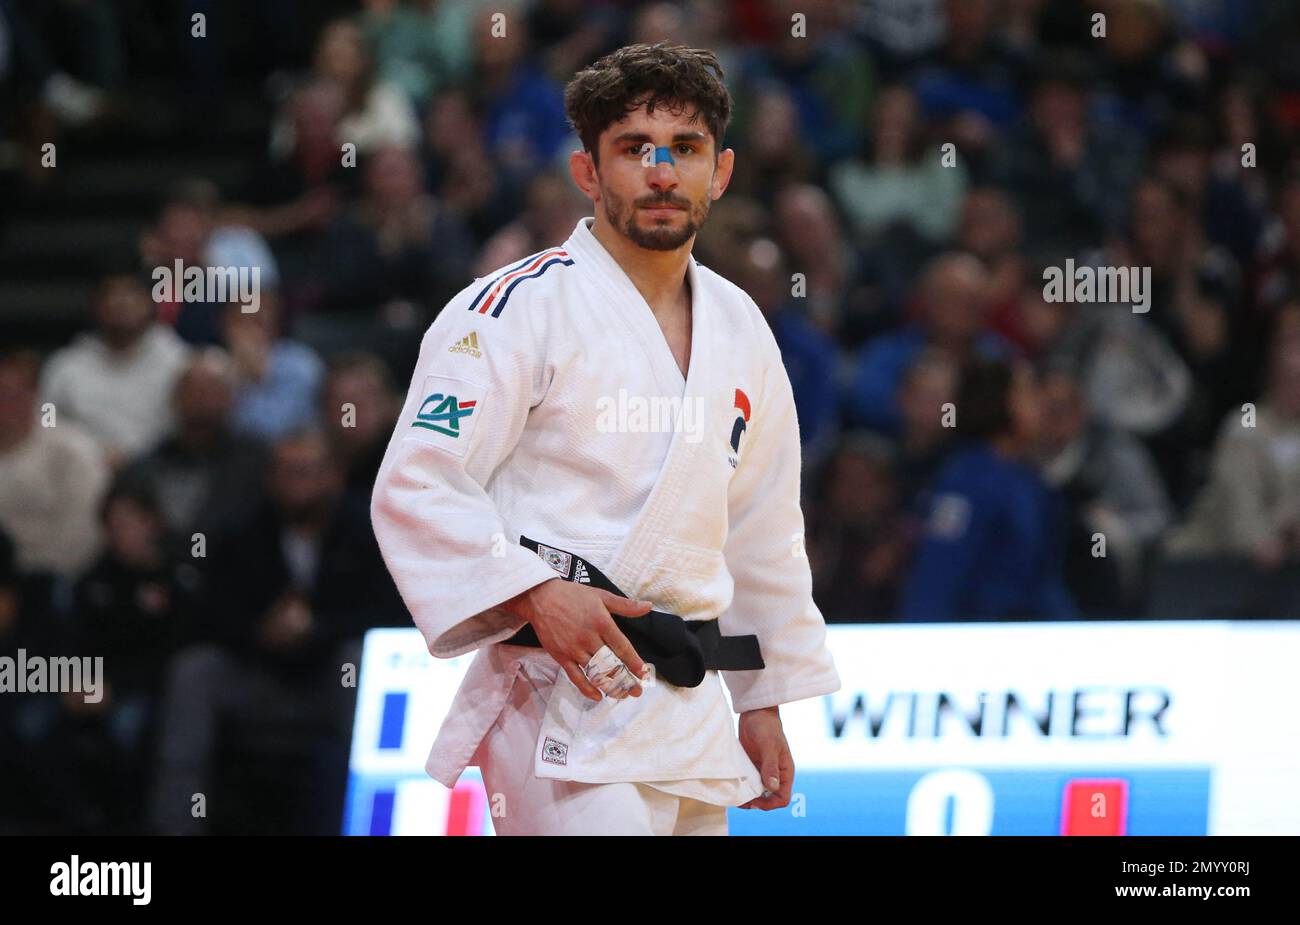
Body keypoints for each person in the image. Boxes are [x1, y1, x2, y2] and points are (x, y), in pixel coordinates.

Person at [371, 43, 840, 836]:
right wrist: (531, 591)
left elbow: (763, 530)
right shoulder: (512, 309)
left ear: (719, 173)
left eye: (684, 150)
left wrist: (763, 697)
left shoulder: (742, 328)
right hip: (557, 691)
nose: (662, 173)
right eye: (633, 150)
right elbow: (419, 480)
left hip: (688, 710)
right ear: (587, 172)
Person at [899, 358, 1077, 621]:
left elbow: (1042, 581)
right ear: (997, 401)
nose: (1042, 404)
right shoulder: (968, 481)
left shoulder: (1030, 481)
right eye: (1028, 392)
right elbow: (938, 577)